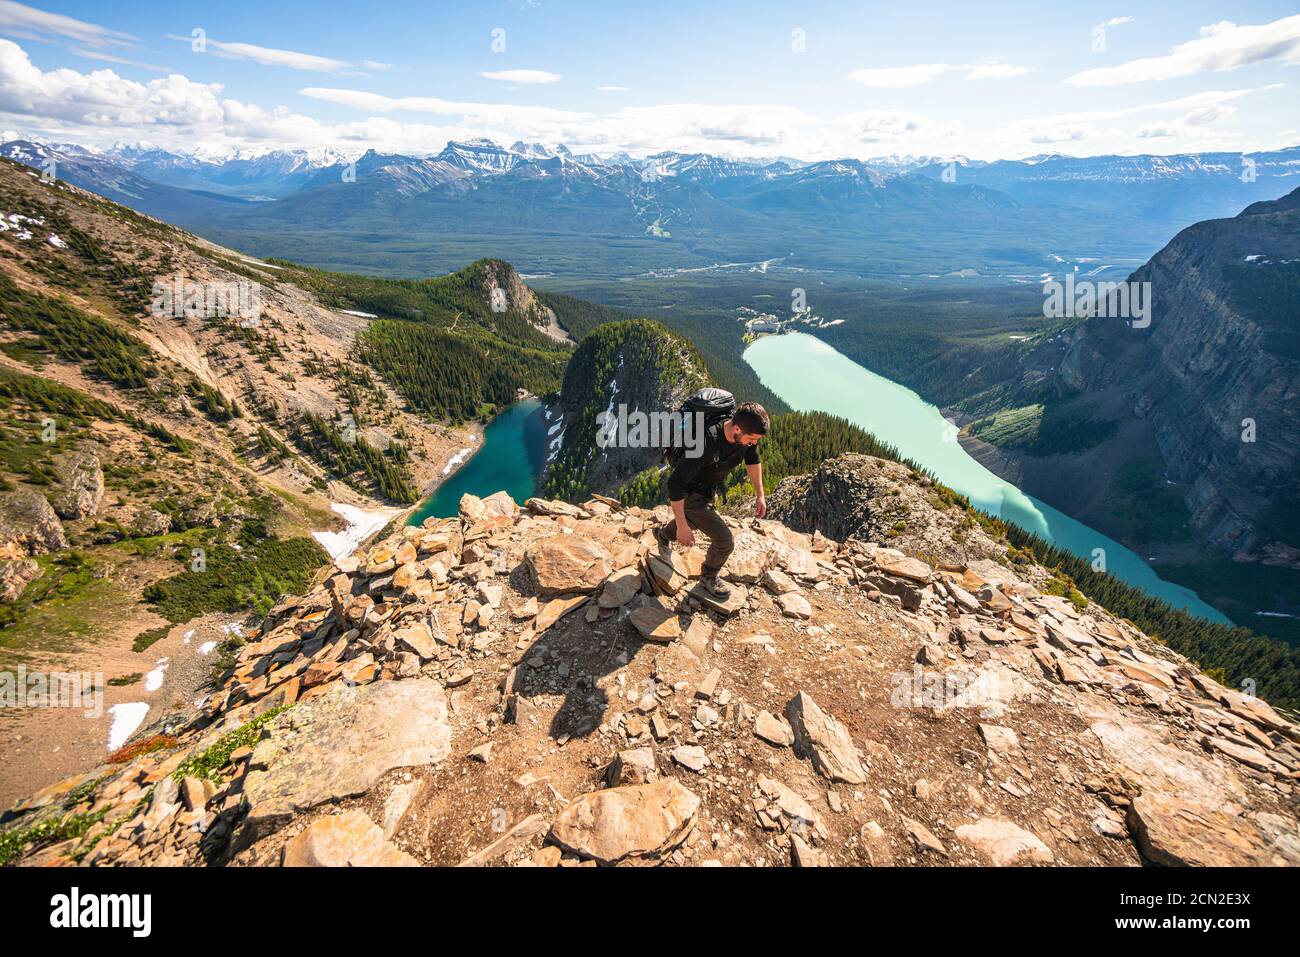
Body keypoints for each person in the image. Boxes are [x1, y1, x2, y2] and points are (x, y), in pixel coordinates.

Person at [656, 401, 770, 599]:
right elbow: (675, 484)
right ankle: (708, 577)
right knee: (724, 541)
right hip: (691, 494)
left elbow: (753, 460)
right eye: (751, 439)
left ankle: (663, 535)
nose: (754, 443)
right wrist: (682, 526)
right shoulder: (706, 442)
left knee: (694, 521)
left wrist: (760, 494)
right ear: (736, 428)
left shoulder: (746, 436)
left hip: (708, 489)